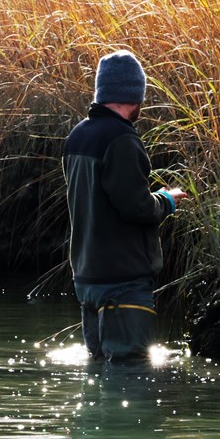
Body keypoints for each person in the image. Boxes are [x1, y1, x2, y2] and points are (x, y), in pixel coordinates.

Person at [63, 50, 187, 362]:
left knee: (100, 371)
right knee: (129, 377)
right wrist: (167, 200)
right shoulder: (121, 139)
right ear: (133, 94)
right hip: (122, 282)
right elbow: (136, 207)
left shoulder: (77, 136)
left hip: (87, 279)